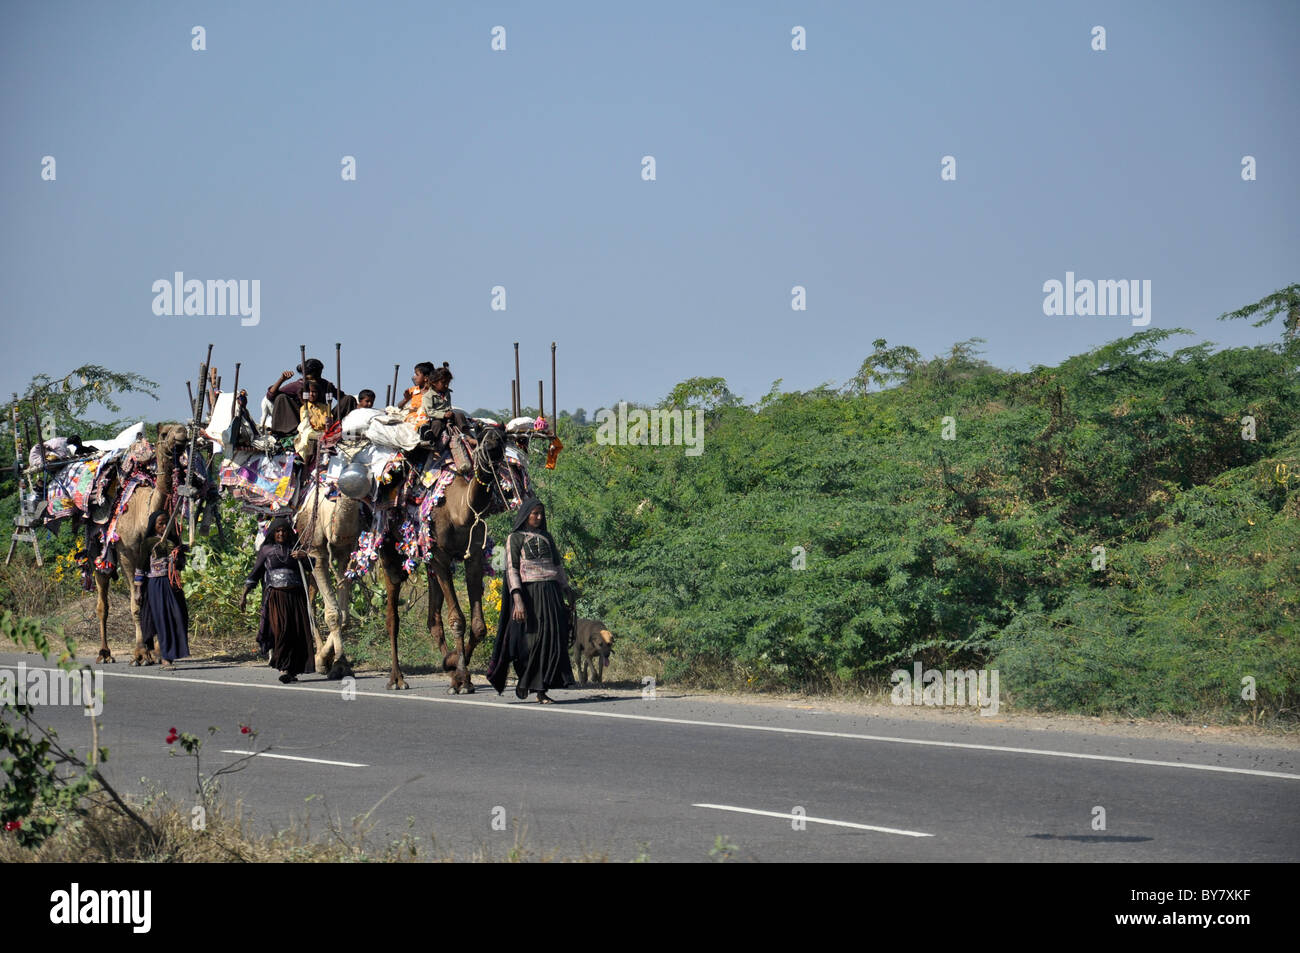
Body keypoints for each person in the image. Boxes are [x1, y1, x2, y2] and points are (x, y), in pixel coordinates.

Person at [487, 498, 577, 702]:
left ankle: (541, 690)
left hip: (551, 593)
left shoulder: (547, 537)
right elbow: (512, 569)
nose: (538, 517)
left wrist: (566, 589)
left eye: (540, 514)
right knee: (530, 642)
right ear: (526, 514)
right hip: (529, 595)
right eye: (534, 513)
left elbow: (558, 566)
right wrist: (518, 600)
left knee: (552, 639)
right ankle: (526, 680)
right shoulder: (515, 538)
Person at [240, 516, 316, 683]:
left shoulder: (296, 549)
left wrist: (304, 557)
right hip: (276, 597)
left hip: (295, 597)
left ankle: (290, 670)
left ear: (289, 533)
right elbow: (255, 573)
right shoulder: (266, 550)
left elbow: (312, 567)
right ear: (273, 534)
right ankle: (283, 665)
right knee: (281, 631)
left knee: (295, 632)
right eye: (278, 531)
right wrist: (244, 595)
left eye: (284, 531)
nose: (281, 533)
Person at [138, 510, 189, 668]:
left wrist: (180, 554)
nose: (164, 526)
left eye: (166, 523)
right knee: (163, 620)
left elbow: (180, 565)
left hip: (172, 584)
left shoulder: (173, 542)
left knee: (177, 617)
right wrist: (138, 591)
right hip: (156, 585)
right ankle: (166, 657)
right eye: (160, 523)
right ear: (154, 525)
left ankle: (172, 653)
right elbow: (140, 567)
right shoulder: (148, 543)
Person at [267, 358, 338, 437]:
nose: (311, 394)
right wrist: (282, 379)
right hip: (302, 417)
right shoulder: (298, 385)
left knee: (348, 400)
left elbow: (341, 396)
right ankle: (289, 432)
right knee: (281, 397)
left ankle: (337, 429)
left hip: (323, 417)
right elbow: (271, 395)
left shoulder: (326, 384)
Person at [398, 362, 434, 426]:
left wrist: (419, 409)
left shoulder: (432, 392)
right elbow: (399, 406)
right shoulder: (413, 390)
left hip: (424, 418)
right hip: (411, 419)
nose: (414, 377)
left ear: (426, 378)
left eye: (417, 375)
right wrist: (406, 399)